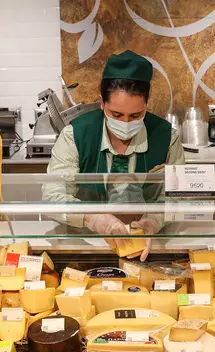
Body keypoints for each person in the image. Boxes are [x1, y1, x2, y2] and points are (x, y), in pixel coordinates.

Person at [44, 50, 184, 260]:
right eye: (116, 114)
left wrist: (152, 221)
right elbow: (52, 197)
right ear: (102, 103)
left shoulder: (167, 138)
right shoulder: (75, 136)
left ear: (146, 104)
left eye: (136, 115)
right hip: (86, 247)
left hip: (148, 248)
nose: (126, 123)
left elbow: (179, 198)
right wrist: (95, 219)